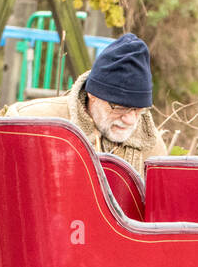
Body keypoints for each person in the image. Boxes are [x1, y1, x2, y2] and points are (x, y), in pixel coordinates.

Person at [9, 32, 168, 172]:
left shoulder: (152, 148)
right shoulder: (32, 123)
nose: (131, 120)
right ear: (92, 95)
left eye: (138, 109)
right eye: (120, 108)